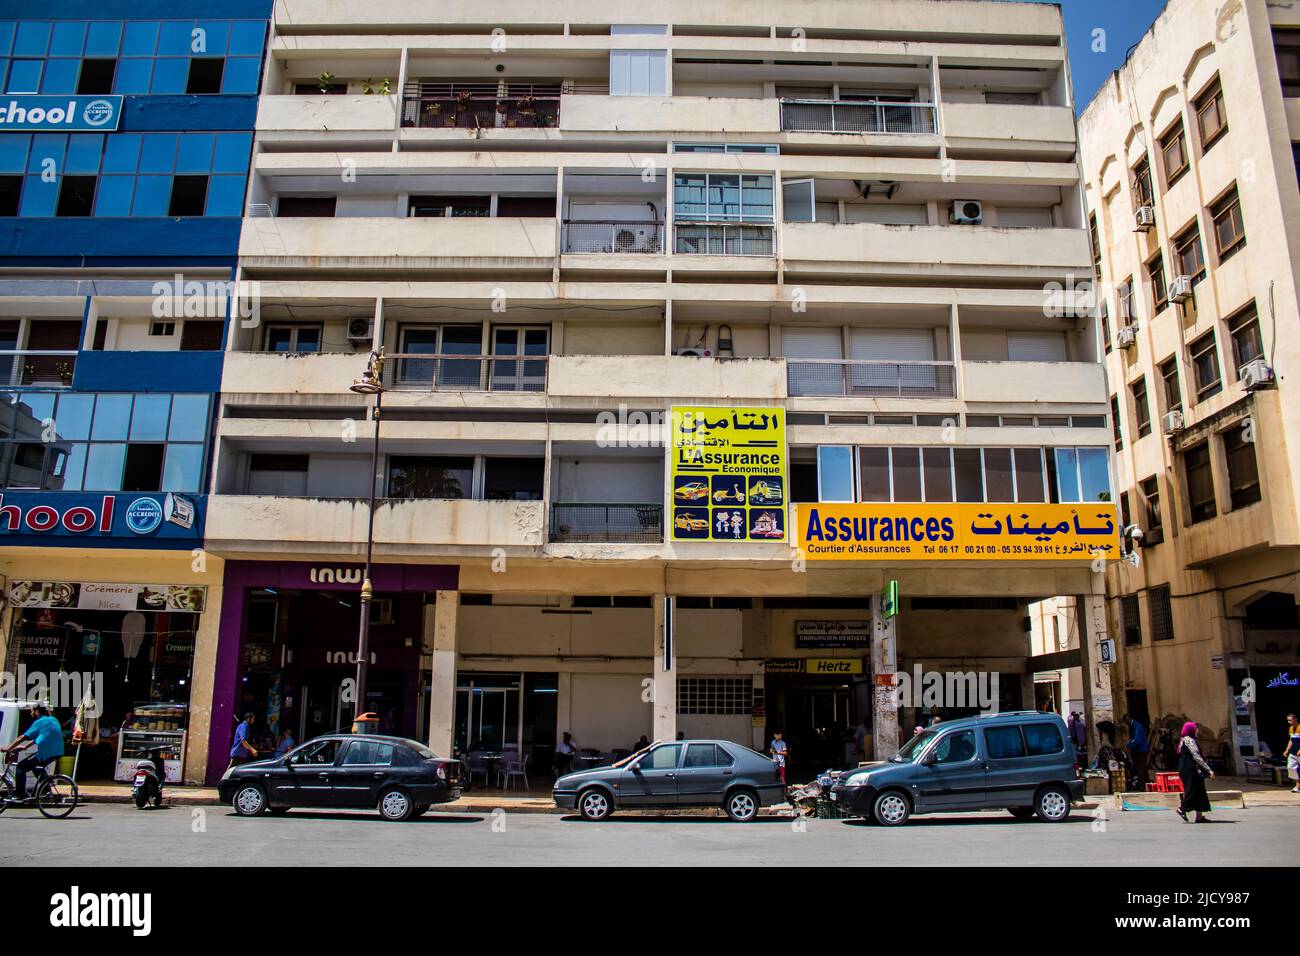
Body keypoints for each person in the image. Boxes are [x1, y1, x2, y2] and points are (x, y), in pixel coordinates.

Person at [1, 703, 64, 800]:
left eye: (31, 711)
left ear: (37, 712)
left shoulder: (39, 722)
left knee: (21, 767)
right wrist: (25, 747)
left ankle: (20, 795)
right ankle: (46, 792)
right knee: (36, 767)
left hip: (46, 752)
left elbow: (23, 737)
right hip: (58, 751)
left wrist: (8, 748)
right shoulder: (53, 719)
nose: (31, 713)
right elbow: (41, 737)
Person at [1175, 721, 1214, 823]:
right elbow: (1196, 756)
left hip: (1186, 769)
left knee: (1199, 791)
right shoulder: (1189, 740)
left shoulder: (1183, 740)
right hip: (1190, 770)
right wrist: (1209, 770)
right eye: (1195, 729)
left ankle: (1199, 816)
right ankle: (1182, 809)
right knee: (1192, 790)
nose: (1197, 731)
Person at [1123, 714, 1150, 790]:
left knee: (1140, 769)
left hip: (1140, 750)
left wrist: (1129, 745)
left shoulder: (1136, 726)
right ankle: (1147, 785)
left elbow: (1137, 739)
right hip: (1140, 750)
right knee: (1143, 768)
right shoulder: (1134, 725)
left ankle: (1142, 787)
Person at [1284, 714, 1300, 794]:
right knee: (1291, 767)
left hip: (1299, 752)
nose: (1288, 722)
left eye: (1290, 720)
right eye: (1288, 720)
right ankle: (1298, 786)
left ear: (1295, 719)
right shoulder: (1291, 728)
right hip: (1293, 752)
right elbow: (1291, 740)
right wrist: (1287, 750)